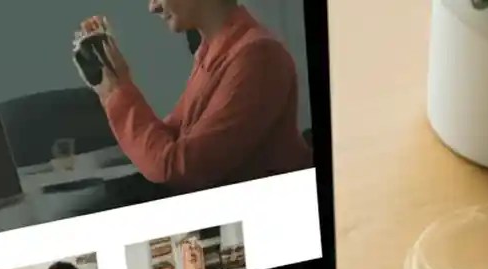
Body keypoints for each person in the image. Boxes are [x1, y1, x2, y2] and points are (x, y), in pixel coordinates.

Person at [75, 1, 312, 193]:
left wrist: (119, 91)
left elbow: (178, 168)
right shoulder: (213, 51)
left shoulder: (258, 56)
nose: (152, 7)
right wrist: (108, 88)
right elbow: (173, 136)